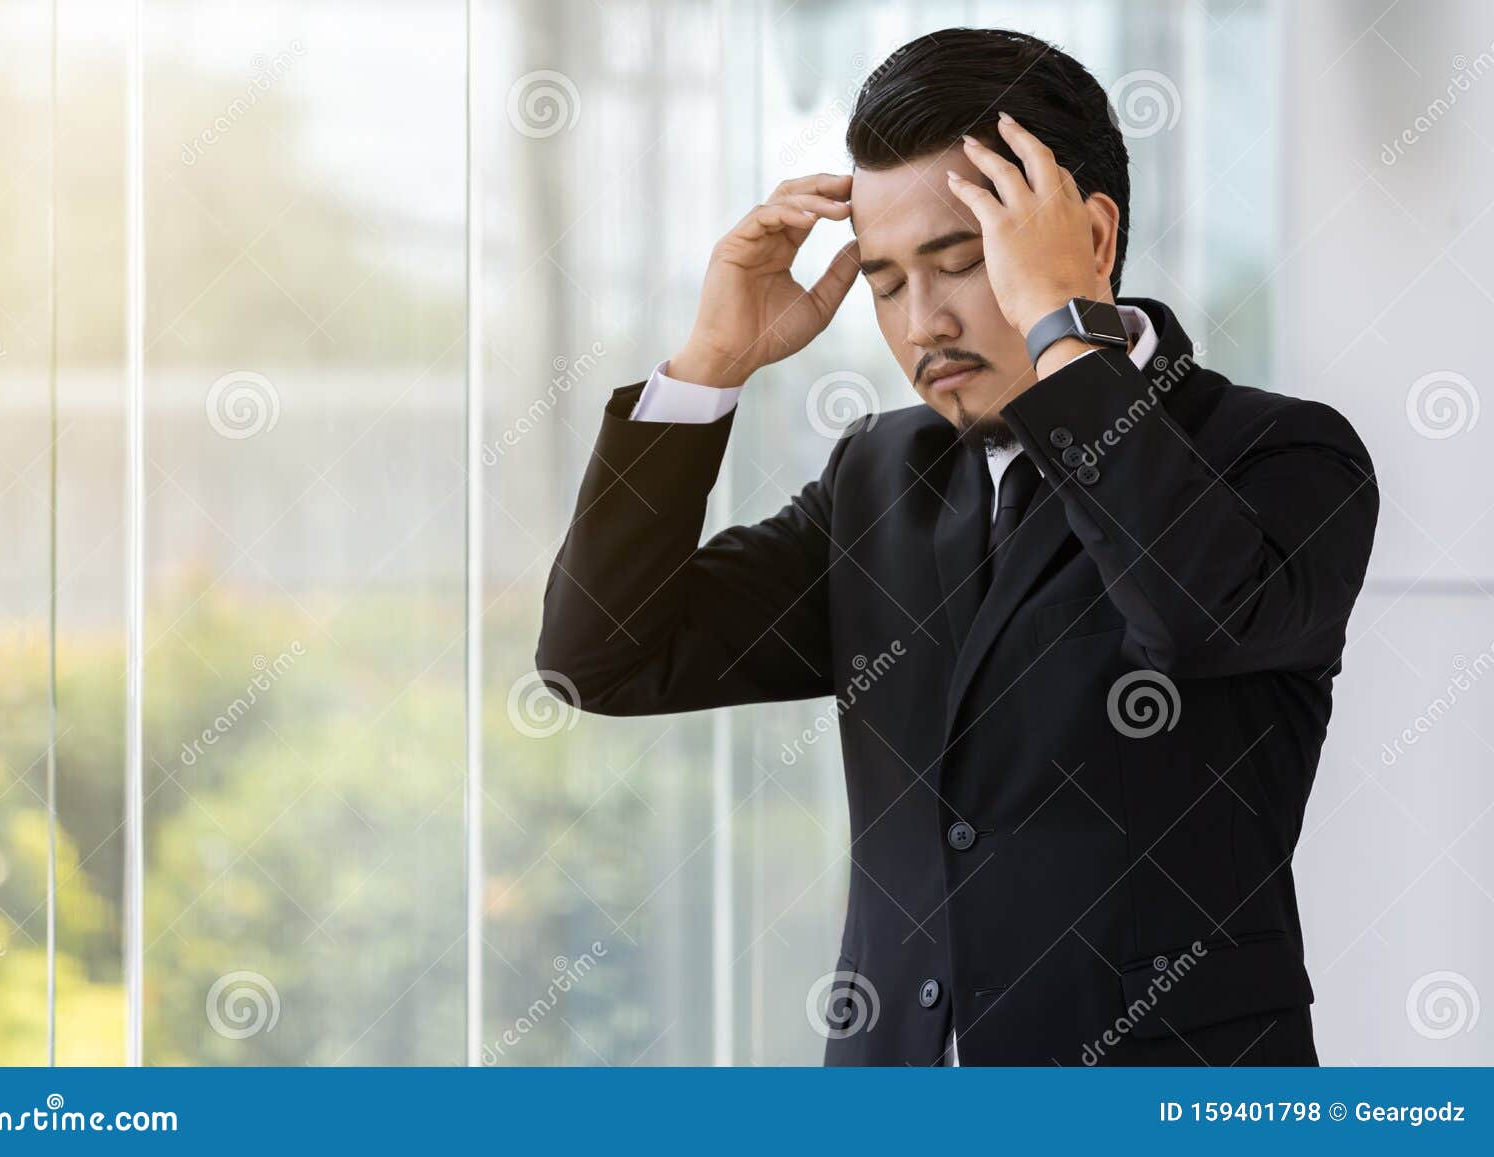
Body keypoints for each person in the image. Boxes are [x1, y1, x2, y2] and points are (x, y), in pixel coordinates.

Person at [535, 27, 1378, 1066]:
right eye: (886, 284)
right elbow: (602, 656)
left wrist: (1064, 328)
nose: (922, 322)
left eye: (963, 260)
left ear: (1089, 237)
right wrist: (710, 364)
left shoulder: (1280, 453)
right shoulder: (877, 476)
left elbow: (1191, 620)